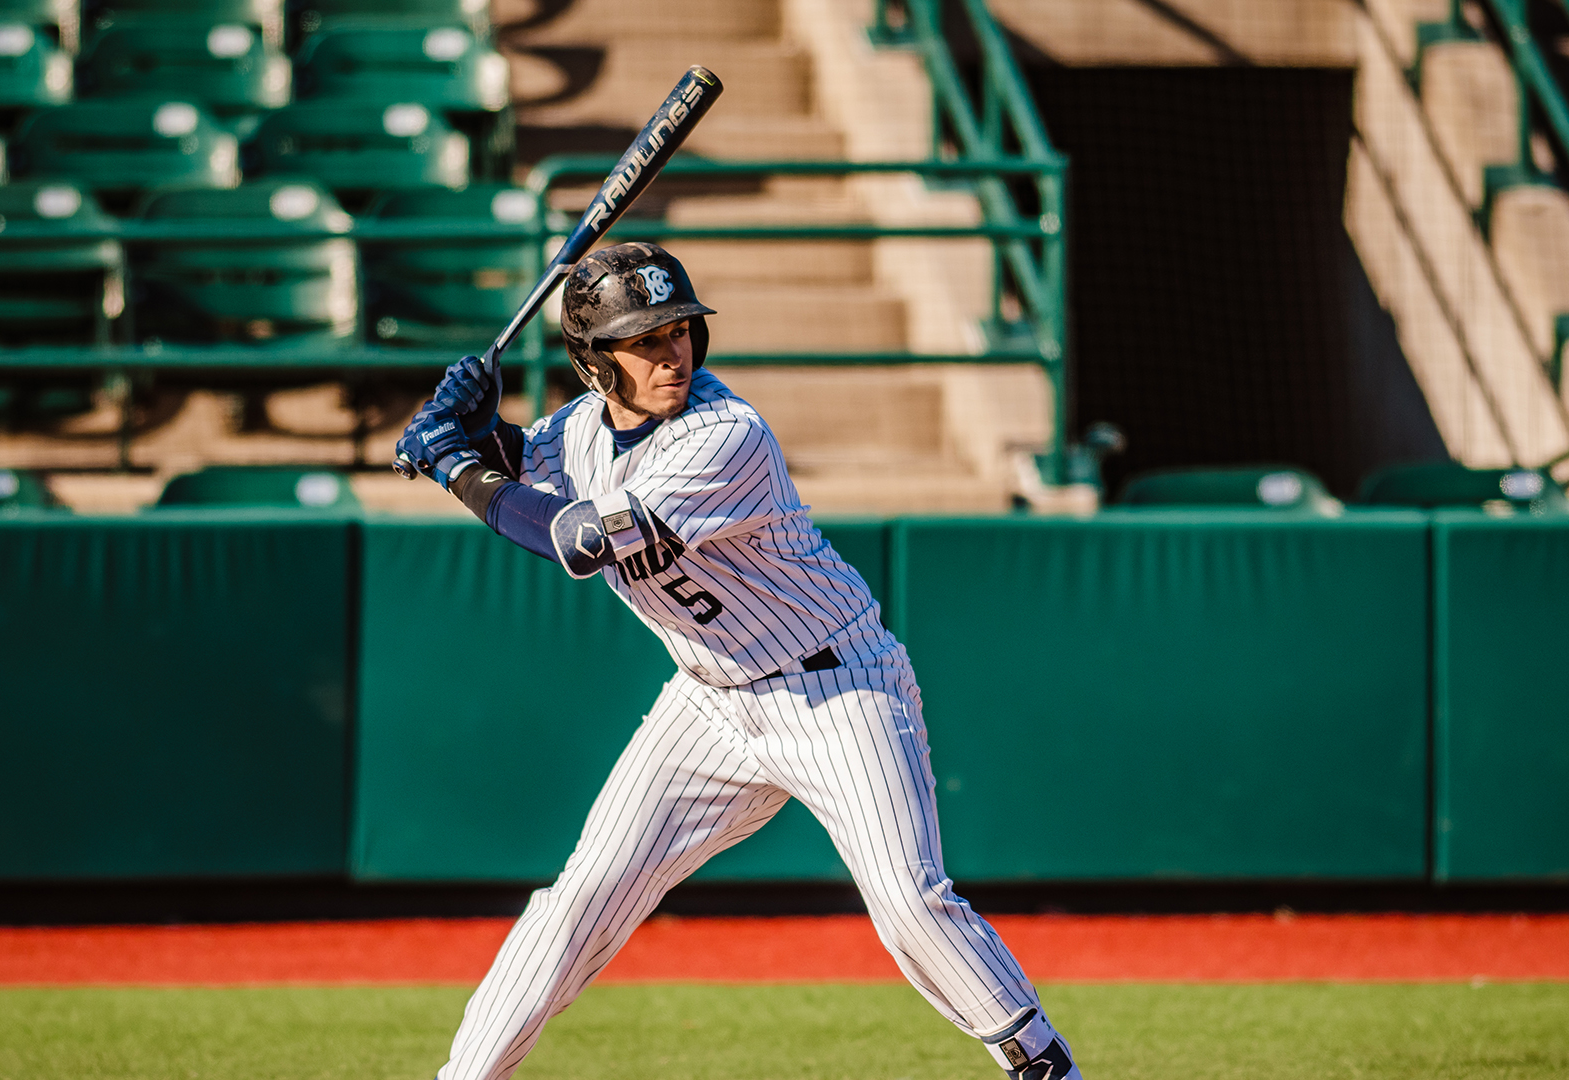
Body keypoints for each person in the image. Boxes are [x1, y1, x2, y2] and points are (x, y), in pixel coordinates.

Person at [395, 242, 1082, 1080]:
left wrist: (453, 463)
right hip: (709, 701)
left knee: (910, 903)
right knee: (578, 899)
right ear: (593, 362)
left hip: (836, 689)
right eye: (644, 339)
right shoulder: (578, 429)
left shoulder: (726, 434)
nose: (671, 352)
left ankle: (1041, 1061)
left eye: (679, 330)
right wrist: (462, 426)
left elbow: (575, 540)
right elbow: (522, 467)